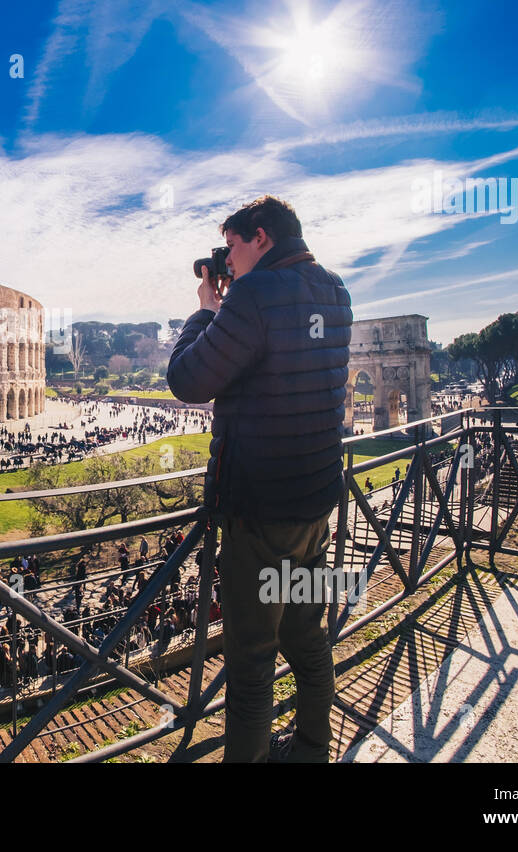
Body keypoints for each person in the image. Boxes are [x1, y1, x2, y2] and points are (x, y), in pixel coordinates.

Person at [167, 195, 351, 764]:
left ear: (261, 237)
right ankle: (312, 751)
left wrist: (205, 308)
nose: (227, 259)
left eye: (231, 246)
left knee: (251, 663)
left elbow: (186, 379)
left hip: (258, 514)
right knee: (307, 640)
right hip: (315, 506)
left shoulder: (251, 296)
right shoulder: (335, 289)